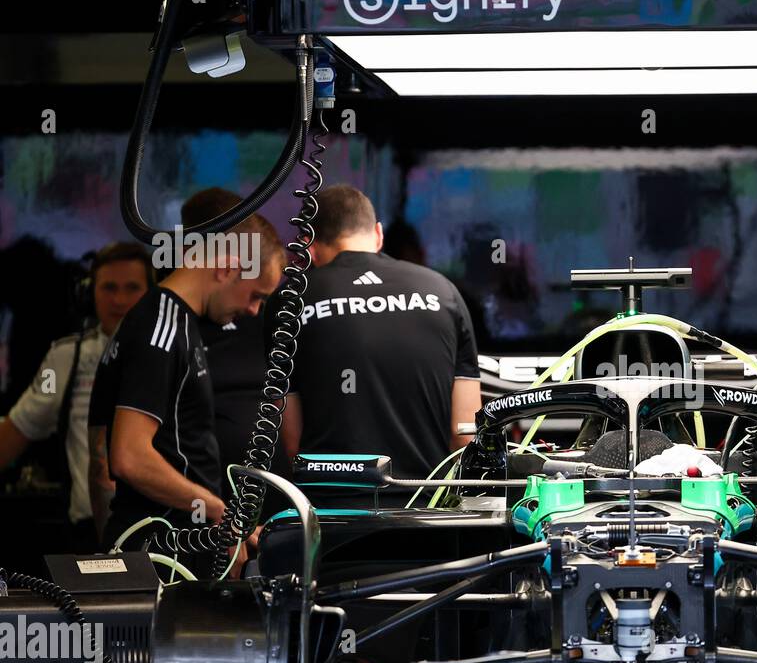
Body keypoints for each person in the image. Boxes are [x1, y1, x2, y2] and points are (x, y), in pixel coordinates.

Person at [88, 199, 283, 559]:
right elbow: (128, 457)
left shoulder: (176, 323)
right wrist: (222, 514)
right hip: (160, 550)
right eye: (256, 294)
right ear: (226, 268)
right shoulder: (160, 327)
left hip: (177, 546)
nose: (254, 310)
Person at [282, 185, 481, 505]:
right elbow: (465, 434)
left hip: (331, 518)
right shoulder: (443, 292)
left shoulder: (291, 302)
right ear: (378, 234)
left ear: (309, 244)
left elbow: (292, 445)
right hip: (427, 516)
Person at [0, 243, 151, 550]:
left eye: (131, 288)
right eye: (109, 287)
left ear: (152, 293)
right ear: (88, 293)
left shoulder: (177, 353)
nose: (119, 299)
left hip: (158, 525)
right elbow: (18, 428)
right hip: (88, 530)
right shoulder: (64, 358)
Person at [181, 188, 291, 496]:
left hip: (276, 507)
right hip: (207, 515)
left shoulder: (269, 321)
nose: (253, 306)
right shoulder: (170, 325)